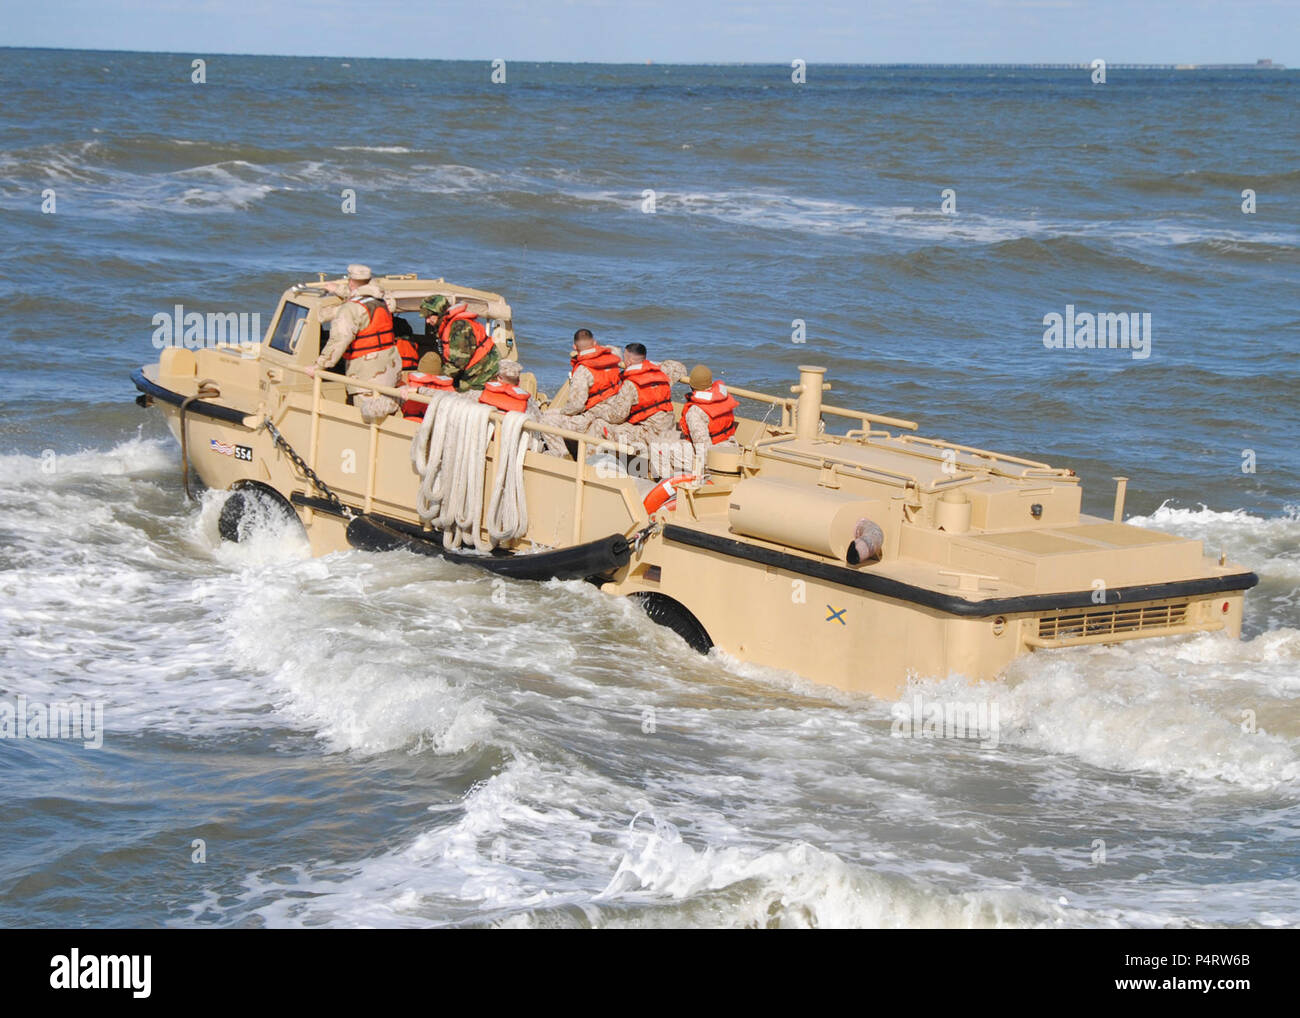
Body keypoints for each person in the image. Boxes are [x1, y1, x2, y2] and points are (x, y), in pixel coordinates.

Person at [306, 264, 400, 423]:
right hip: (390, 369)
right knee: (385, 416)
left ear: (350, 281)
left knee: (368, 421)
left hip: (366, 375)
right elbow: (362, 294)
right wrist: (339, 290)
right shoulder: (383, 300)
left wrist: (318, 366)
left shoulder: (349, 309)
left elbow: (339, 341)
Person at [647, 364, 739, 478]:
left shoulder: (695, 412)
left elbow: (703, 450)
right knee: (666, 437)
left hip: (712, 460)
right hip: (730, 447)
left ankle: (668, 486)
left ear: (691, 385)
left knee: (658, 447)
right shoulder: (723, 398)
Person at [597, 343, 686, 452]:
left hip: (649, 435)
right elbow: (680, 368)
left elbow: (618, 416)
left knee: (600, 424)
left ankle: (591, 461)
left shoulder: (630, 384)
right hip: (667, 428)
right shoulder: (661, 372)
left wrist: (601, 412)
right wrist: (649, 365)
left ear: (628, 361)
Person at [417, 294, 499, 391]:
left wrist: (437, 380)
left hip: (484, 374)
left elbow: (459, 362)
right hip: (473, 373)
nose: (427, 321)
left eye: (429, 316)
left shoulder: (460, 327)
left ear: (439, 314)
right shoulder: (447, 325)